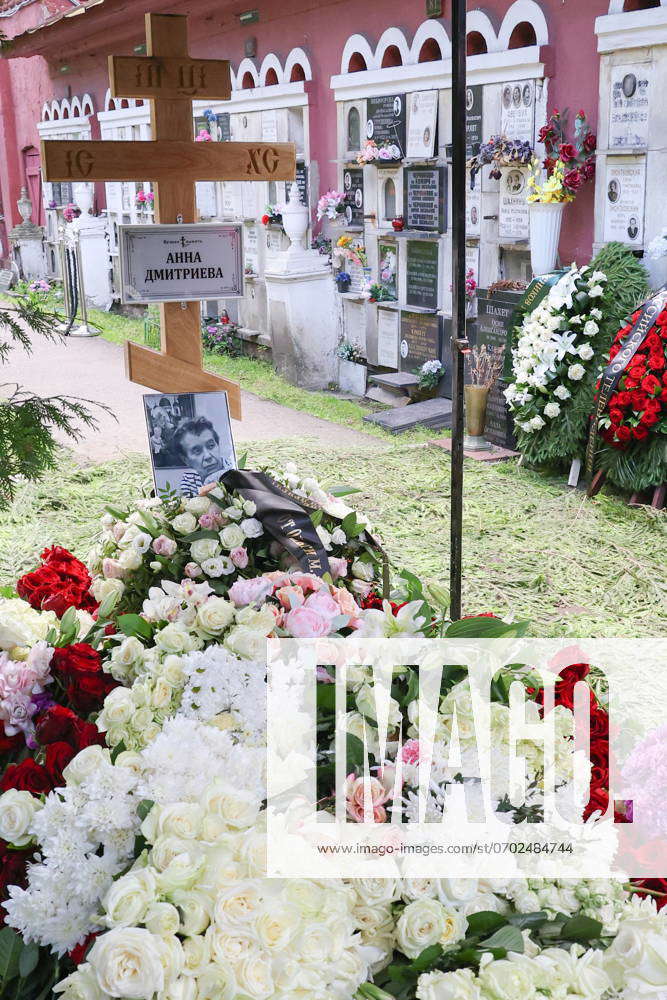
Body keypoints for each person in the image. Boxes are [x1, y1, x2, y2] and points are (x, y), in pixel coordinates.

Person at [173, 416, 235, 497]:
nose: (207, 456)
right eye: (197, 451)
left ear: (218, 445)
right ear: (185, 460)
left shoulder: (234, 469)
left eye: (211, 445)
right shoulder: (189, 480)